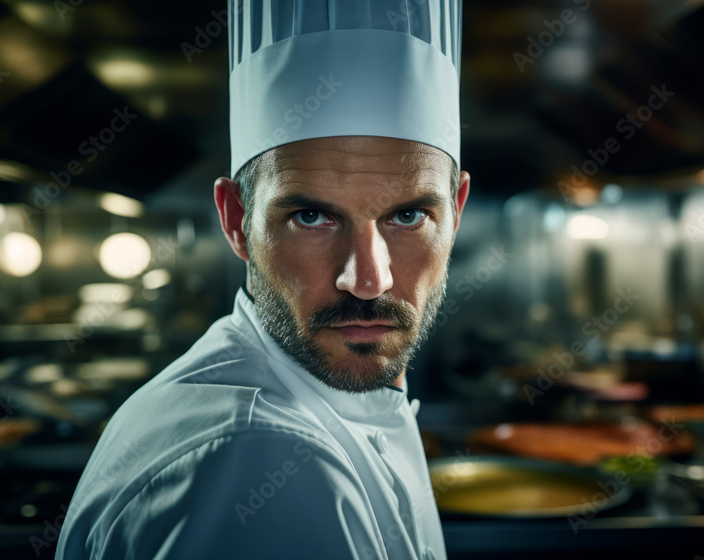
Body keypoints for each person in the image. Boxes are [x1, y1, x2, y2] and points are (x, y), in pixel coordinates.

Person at [56, 2, 467, 559]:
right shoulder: (263, 457)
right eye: (311, 217)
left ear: (456, 213)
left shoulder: (314, 415)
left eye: (408, 216)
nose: (368, 281)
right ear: (236, 220)